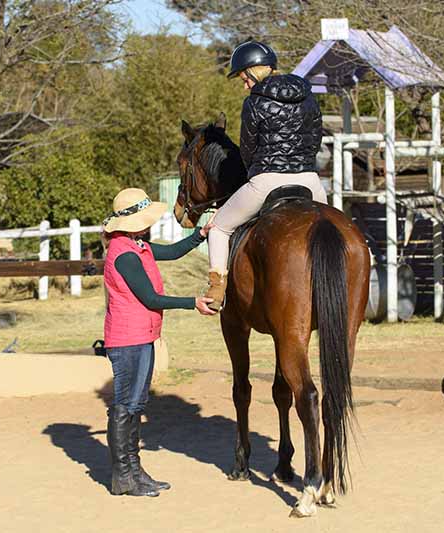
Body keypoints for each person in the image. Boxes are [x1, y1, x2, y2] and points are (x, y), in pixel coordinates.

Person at [102, 187, 216, 497]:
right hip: (128, 340)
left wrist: (202, 234)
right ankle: (123, 476)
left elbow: (173, 252)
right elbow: (151, 298)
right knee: (126, 406)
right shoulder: (124, 255)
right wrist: (193, 302)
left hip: (141, 336)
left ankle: (133, 471)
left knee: (135, 405)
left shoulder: (136, 245)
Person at [204, 40, 326, 311]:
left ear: (255, 70)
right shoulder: (309, 97)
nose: (244, 84)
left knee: (219, 227)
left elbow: (248, 149)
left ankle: (216, 292)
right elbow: (316, 138)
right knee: (335, 232)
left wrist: (256, 171)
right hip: (310, 180)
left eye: (244, 77)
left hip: (267, 179)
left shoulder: (254, 102)